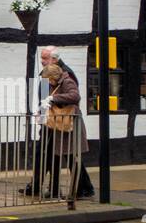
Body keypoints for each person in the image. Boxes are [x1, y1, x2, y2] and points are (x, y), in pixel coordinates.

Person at [20, 46, 95, 198]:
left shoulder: (66, 75)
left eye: (45, 58)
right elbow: (44, 98)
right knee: (45, 154)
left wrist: (54, 100)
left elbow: (73, 98)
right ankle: (44, 188)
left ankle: (82, 189)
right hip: (51, 121)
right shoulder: (48, 73)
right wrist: (42, 118)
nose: (42, 61)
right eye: (41, 58)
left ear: (54, 59)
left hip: (64, 122)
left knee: (67, 156)